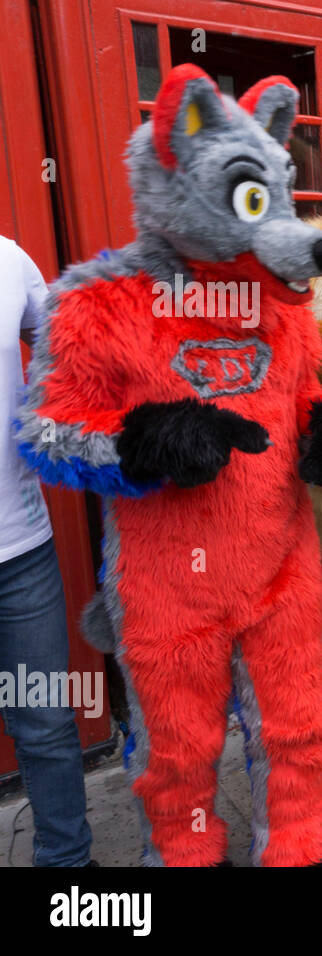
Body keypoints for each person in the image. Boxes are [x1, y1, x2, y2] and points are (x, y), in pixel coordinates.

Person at [0, 234, 93, 864]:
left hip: (19, 548)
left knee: (45, 721)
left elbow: (74, 340)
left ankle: (68, 868)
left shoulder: (7, 259)